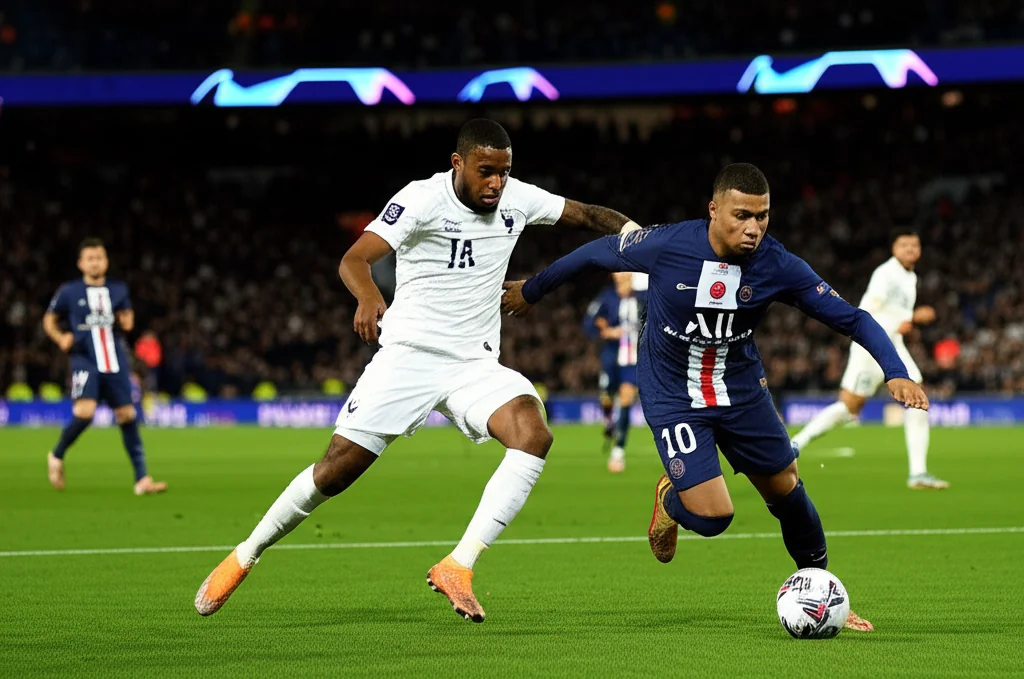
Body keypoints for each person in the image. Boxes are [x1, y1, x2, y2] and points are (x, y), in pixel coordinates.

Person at [194, 119, 638, 622]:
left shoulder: (517, 198)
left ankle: (459, 566)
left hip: (474, 363)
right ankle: (244, 555)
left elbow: (585, 215)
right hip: (409, 355)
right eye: (486, 172)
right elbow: (355, 258)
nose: (496, 183)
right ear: (459, 163)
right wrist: (367, 296)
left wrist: (639, 237)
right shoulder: (422, 199)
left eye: (504, 172)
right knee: (335, 473)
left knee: (533, 434)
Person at [501, 163, 930, 632]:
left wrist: (896, 372)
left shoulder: (778, 264)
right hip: (672, 392)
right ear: (713, 209)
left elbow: (853, 318)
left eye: (762, 216)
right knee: (713, 517)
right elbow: (593, 255)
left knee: (786, 488)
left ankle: (822, 593)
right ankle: (671, 501)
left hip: (741, 390)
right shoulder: (668, 245)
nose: (753, 228)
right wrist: (533, 289)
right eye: (741, 215)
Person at [790, 230, 946, 489]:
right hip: (873, 344)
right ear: (894, 248)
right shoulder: (886, 274)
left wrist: (909, 321)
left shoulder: (910, 277)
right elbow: (869, 311)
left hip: (892, 343)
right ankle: (795, 443)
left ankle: (918, 472)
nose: (910, 249)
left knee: (916, 394)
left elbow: (897, 317)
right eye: (904, 245)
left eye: (915, 245)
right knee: (850, 408)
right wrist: (911, 319)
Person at [42, 238, 167, 495]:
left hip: (115, 359)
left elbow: (128, 320)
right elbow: (49, 319)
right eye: (90, 258)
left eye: (99, 258)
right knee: (85, 412)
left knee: (127, 415)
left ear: (106, 261)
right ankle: (56, 455)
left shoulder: (118, 289)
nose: (95, 262)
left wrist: (127, 320)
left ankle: (142, 479)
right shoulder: (69, 291)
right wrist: (60, 337)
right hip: (84, 358)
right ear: (80, 263)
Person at [593, 272, 646, 472]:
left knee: (626, 397)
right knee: (606, 395)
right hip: (612, 357)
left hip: (633, 358)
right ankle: (608, 420)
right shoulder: (608, 297)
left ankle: (618, 453)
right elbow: (592, 320)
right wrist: (605, 329)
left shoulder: (644, 296)